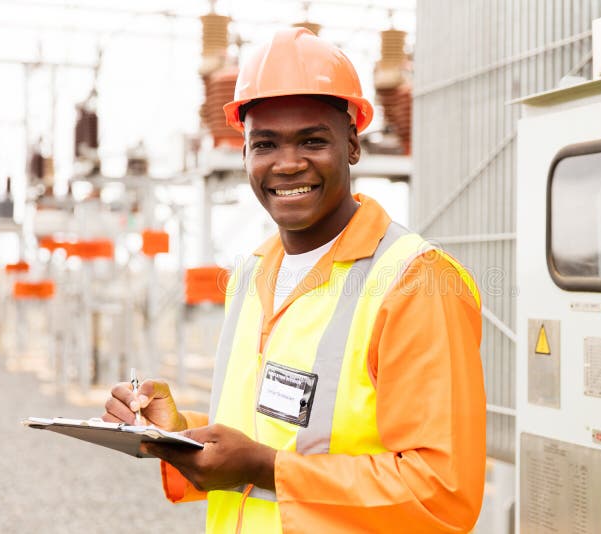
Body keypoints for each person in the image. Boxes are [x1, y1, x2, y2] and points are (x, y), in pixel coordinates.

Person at [103, 27, 486, 533]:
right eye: (265, 144)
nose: (287, 163)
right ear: (244, 154)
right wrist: (181, 434)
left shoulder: (416, 283)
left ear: (352, 143)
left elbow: (442, 491)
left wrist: (266, 467)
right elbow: (273, 433)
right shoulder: (253, 275)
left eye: (312, 140)